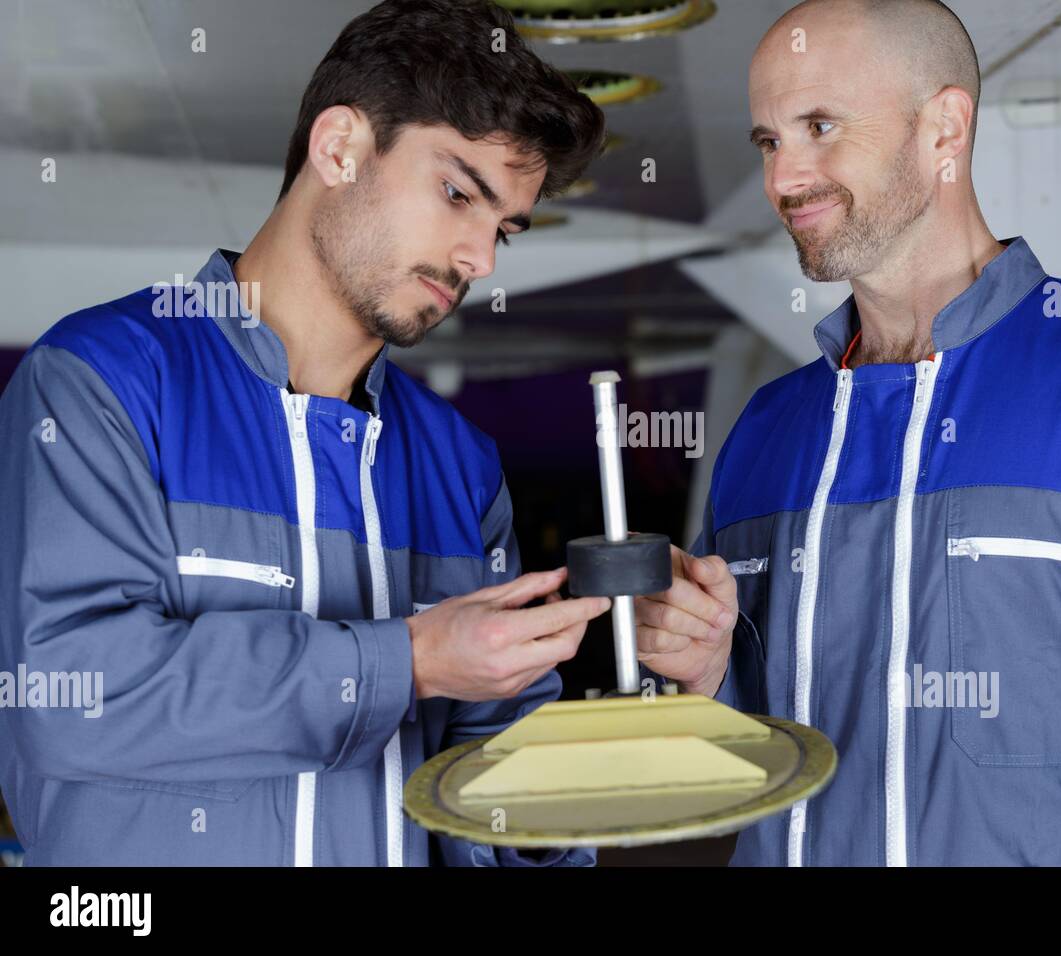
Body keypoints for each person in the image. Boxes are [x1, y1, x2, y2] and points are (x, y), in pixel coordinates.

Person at [636, 0, 1061, 865]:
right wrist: (705, 679)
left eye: (821, 126)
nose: (784, 179)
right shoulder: (769, 429)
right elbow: (742, 768)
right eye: (769, 141)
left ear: (944, 128)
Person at [0, 0, 608, 866]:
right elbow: (72, 701)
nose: (482, 258)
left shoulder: (459, 464)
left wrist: (648, 711)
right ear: (339, 147)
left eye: (504, 227)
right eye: (456, 194)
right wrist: (407, 661)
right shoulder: (100, 383)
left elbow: (491, 794)